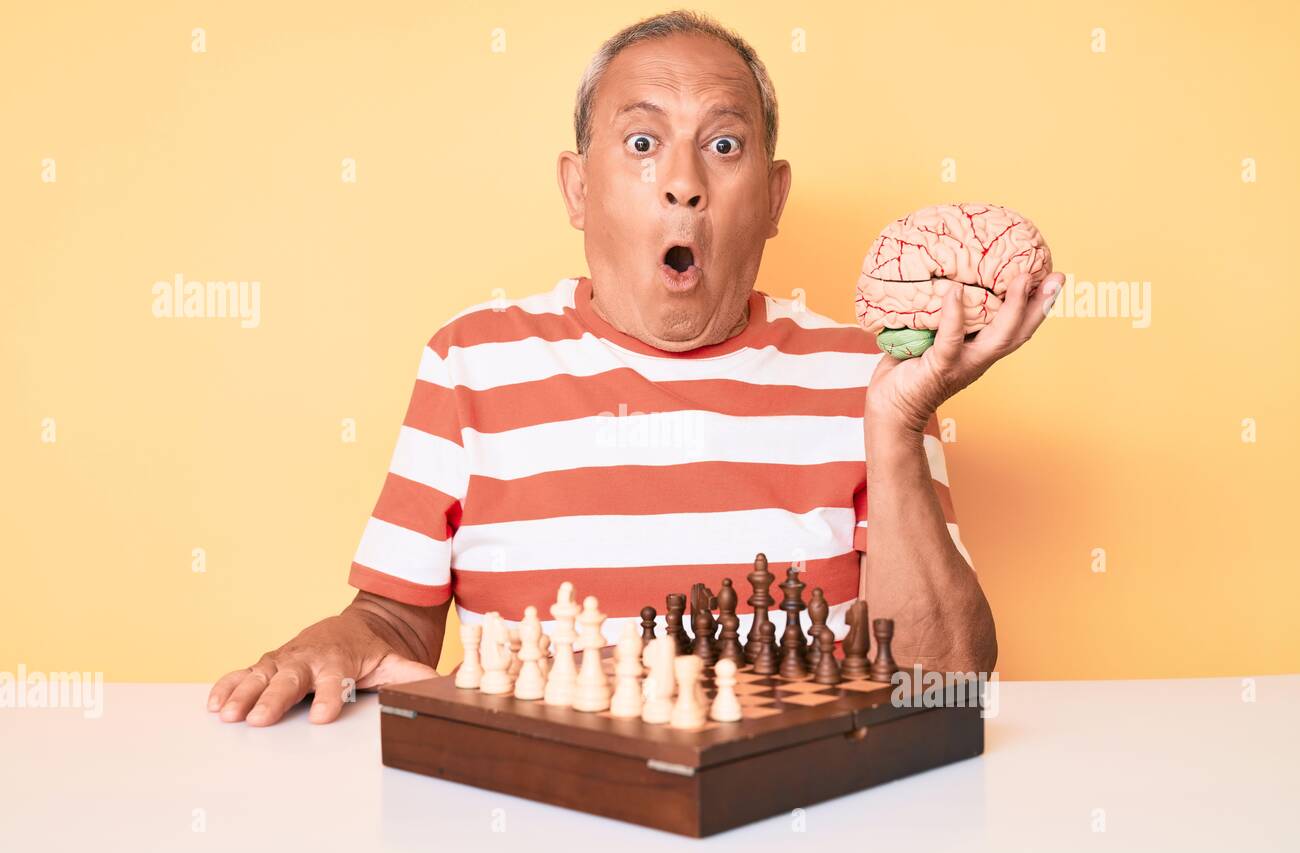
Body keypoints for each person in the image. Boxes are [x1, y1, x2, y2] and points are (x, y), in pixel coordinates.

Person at [208, 10, 1063, 727]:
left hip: (792, 816)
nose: (682, 183)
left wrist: (896, 425)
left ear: (774, 197)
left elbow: (943, 686)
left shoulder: (868, 380)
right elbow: (392, 624)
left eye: (723, 145)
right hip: (537, 810)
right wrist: (334, 644)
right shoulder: (469, 363)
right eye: (643, 141)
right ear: (579, 190)